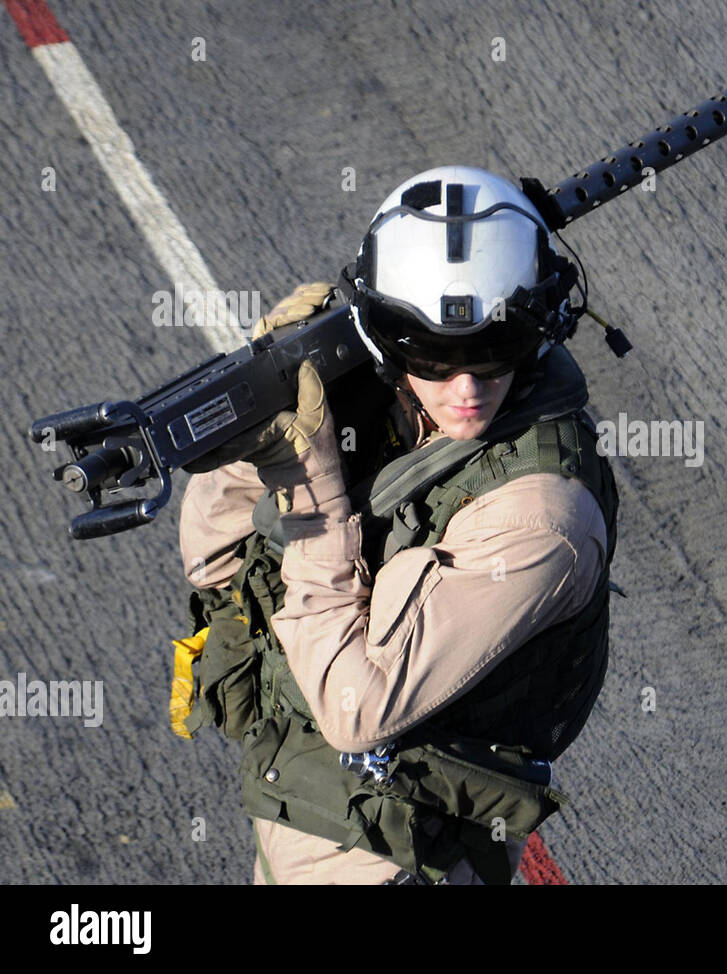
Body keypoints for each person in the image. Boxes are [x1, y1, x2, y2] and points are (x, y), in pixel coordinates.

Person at [173, 167, 620, 884]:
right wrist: (265, 395)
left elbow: (356, 710)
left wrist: (309, 488)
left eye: (491, 351)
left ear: (539, 331)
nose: (466, 390)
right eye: (434, 357)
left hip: (406, 854)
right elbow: (219, 567)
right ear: (386, 343)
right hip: (304, 809)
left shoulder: (540, 520)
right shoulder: (388, 408)